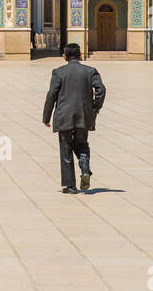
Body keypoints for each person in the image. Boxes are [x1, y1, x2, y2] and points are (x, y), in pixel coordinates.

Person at [43, 43, 107, 194]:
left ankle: (70, 185)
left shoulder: (58, 72)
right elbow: (101, 90)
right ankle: (85, 170)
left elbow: (52, 94)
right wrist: (95, 108)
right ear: (79, 55)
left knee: (66, 149)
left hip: (64, 115)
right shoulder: (90, 71)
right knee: (82, 144)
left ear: (65, 56)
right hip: (84, 115)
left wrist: (46, 117)